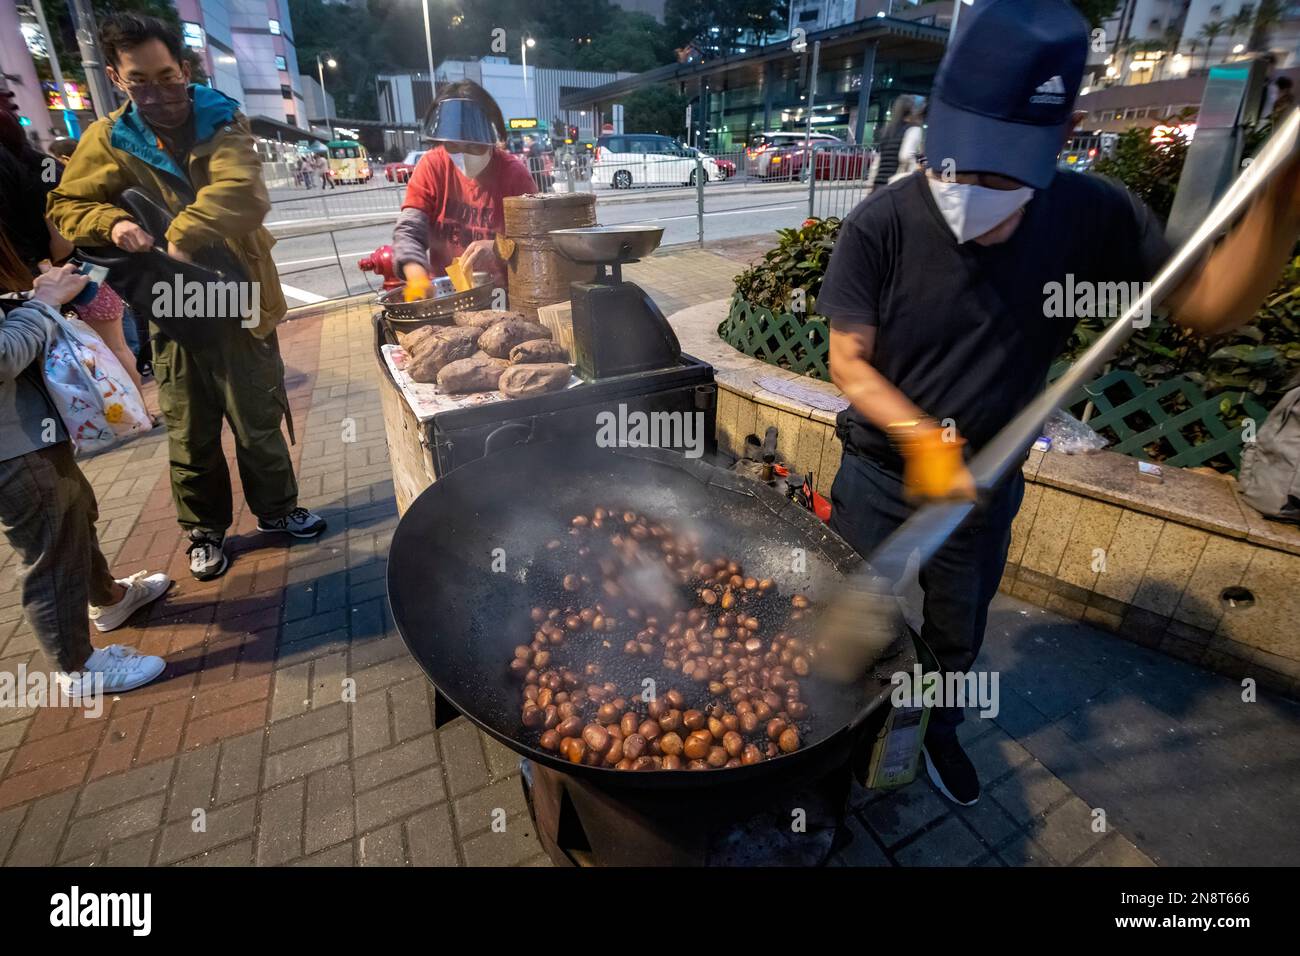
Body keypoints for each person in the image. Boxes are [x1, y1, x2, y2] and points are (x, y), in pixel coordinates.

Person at [817, 0, 1300, 807]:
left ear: (1060, 132)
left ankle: (935, 733)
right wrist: (922, 437)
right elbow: (848, 360)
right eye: (965, 163)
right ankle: (833, 738)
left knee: (954, 636)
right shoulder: (883, 224)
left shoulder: (1092, 214)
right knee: (853, 614)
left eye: (1006, 172)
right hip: (878, 469)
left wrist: (1284, 193)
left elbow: (1213, 306)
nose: (980, 191)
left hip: (984, 485)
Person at [47, 13, 325, 582]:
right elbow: (65, 207)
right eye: (141, 82)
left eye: (167, 78)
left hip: (241, 298)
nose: (158, 94)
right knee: (189, 427)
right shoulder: (107, 138)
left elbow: (242, 194)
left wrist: (180, 231)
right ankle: (204, 530)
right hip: (172, 308)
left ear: (187, 69)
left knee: (258, 418)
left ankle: (276, 510)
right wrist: (111, 222)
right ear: (116, 78)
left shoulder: (221, 119)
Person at [0, 256, 171, 694]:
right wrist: (42, 303)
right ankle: (76, 668)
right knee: (51, 549)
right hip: (12, 446)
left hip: (26, 432)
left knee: (73, 516)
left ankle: (109, 598)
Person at [393, 80, 536, 297]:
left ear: (491, 139)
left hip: (502, 296)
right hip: (448, 295)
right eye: (453, 146)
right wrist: (416, 277)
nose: (464, 155)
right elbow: (410, 230)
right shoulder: (432, 166)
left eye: (473, 146)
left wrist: (499, 249)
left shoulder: (515, 176)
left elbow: (537, 243)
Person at [866, 94, 925, 190]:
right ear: (912, 110)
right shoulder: (913, 129)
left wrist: (871, 185)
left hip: (878, 185)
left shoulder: (887, 130)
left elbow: (877, 161)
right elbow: (906, 156)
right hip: (895, 186)